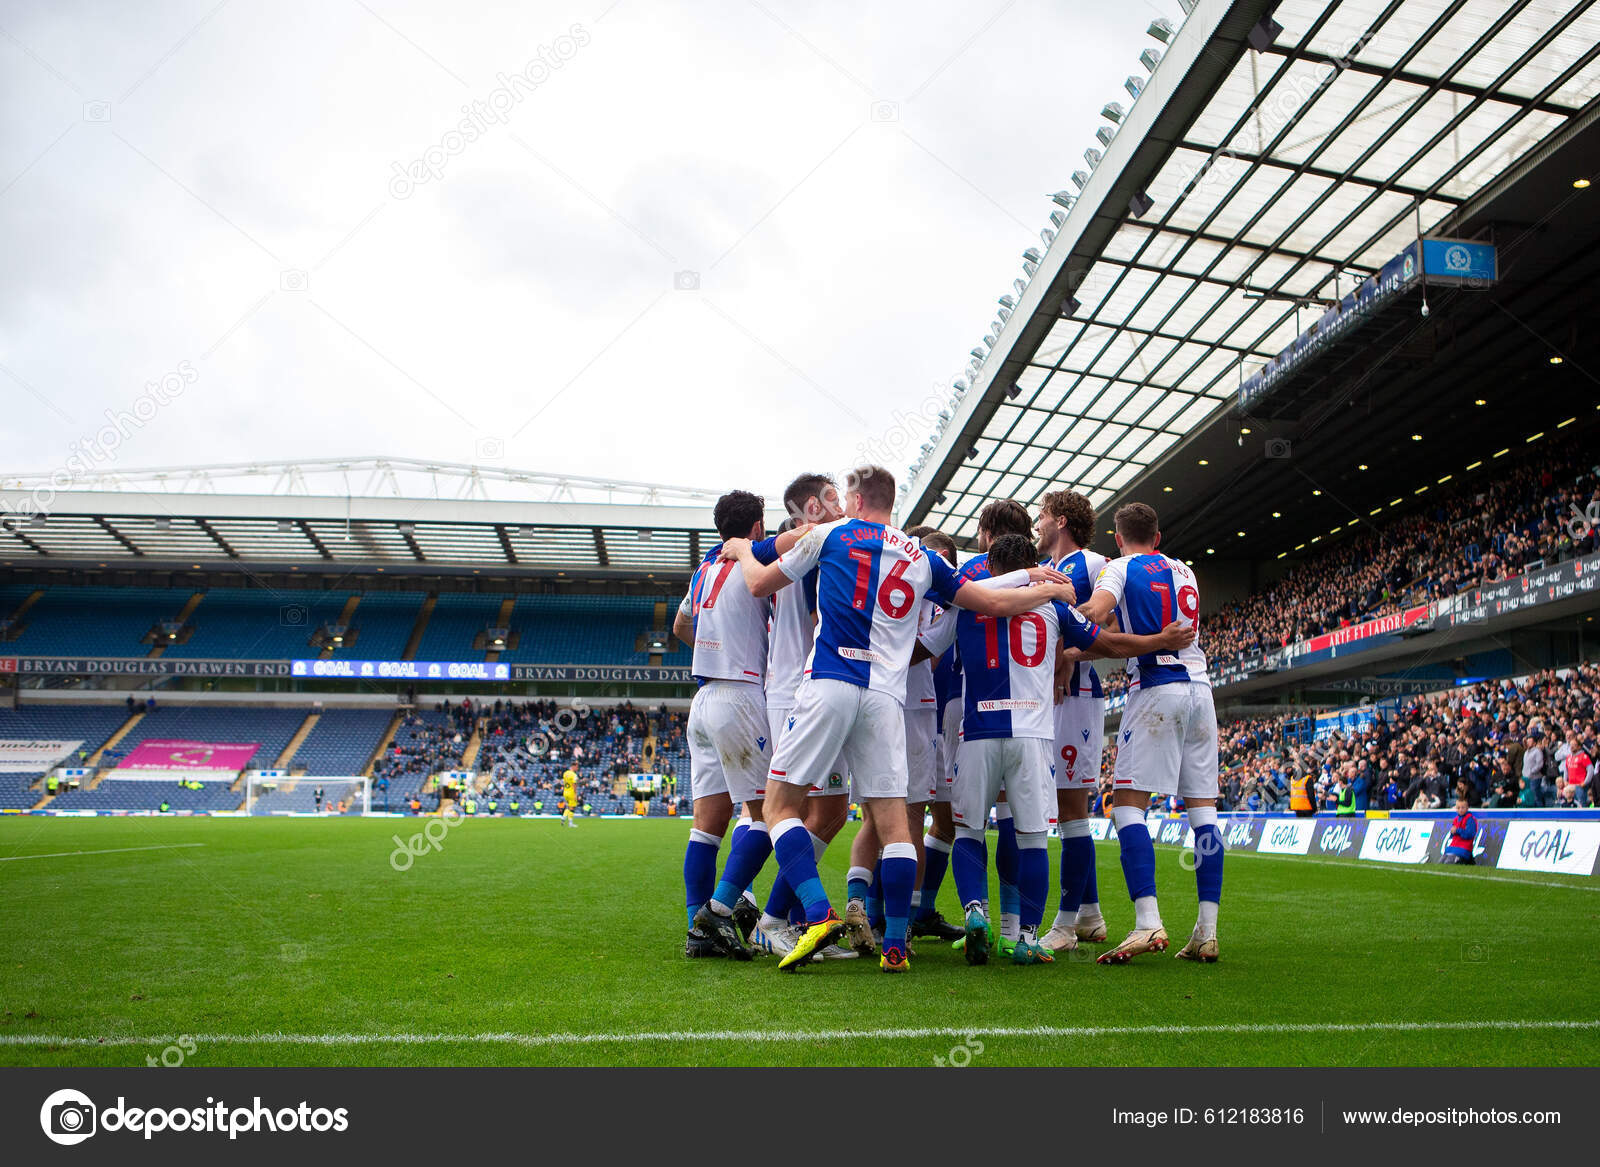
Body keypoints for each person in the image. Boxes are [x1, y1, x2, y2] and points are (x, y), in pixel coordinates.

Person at [721, 464, 1083, 972]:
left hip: (829, 682)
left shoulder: (830, 534)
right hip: (886, 700)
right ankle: (895, 944)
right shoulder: (924, 558)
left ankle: (820, 913)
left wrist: (739, 551)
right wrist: (1042, 585)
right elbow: (993, 600)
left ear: (855, 498)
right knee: (895, 824)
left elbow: (759, 584)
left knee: (780, 807)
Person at [917, 533, 1192, 966]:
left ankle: (974, 912)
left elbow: (925, 648)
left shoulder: (969, 601)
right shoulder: (1055, 607)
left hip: (978, 733)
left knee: (968, 833)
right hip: (1032, 735)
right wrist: (1162, 640)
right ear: (1035, 565)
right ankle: (1026, 936)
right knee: (1032, 841)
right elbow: (1112, 644)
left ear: (992, 565)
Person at [1077, 501, 1222, 964]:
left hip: (1157, 689)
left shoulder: (1119, 567)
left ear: (1118, 539)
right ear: (1157, 537)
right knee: (1203, 812)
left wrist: (1058, 605)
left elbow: (1096, 615)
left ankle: (1147, 922)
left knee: (1126, 806)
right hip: (1201, 691)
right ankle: (1206, 932)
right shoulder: (1185, 571)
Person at [674, 489, 802, 959]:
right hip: (740, 695)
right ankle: (721, 914)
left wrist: (714, 643)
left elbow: (679, 627)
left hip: (702, 698)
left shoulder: (703, 568)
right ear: (755, 527)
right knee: (770, 813)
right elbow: (803, 537)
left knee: (706, 827)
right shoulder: (756, 551)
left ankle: (697, 928)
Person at [748, 475, 858, 963]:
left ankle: (783, 919)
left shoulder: (788, 547)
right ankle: (779, 919)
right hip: (800, 690)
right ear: (809, 509)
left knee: (832, 811)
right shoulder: (813, 544)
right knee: (788, 807)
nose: (839, 505)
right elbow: (820, 618)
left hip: (809, 687)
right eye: (831, 496)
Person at [1035, 489, 1111, 953]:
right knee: (1068, 811)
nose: (1036, 525)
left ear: (1060, 521)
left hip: (1076, 696)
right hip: (1056, 700)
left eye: (1041, 516)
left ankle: (1063, 926)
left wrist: (1069, 653)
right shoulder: (1058, 571)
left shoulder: (1093, 564)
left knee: (1071, 810)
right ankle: (1090, 915)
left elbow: (1114, 631)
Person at [1442, 797, 1478, 863]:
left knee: (1448, 863)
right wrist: (1452, 832)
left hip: (1464, 848)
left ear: (1467, 808)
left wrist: (1457, 830)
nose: (1460, 810)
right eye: (1458, 808)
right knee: (1441, 862)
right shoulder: (1456, 819)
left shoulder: (1470, 819)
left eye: (1462, 807)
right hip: (1453, 847)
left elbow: (1470, 834)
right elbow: (1452, 836)